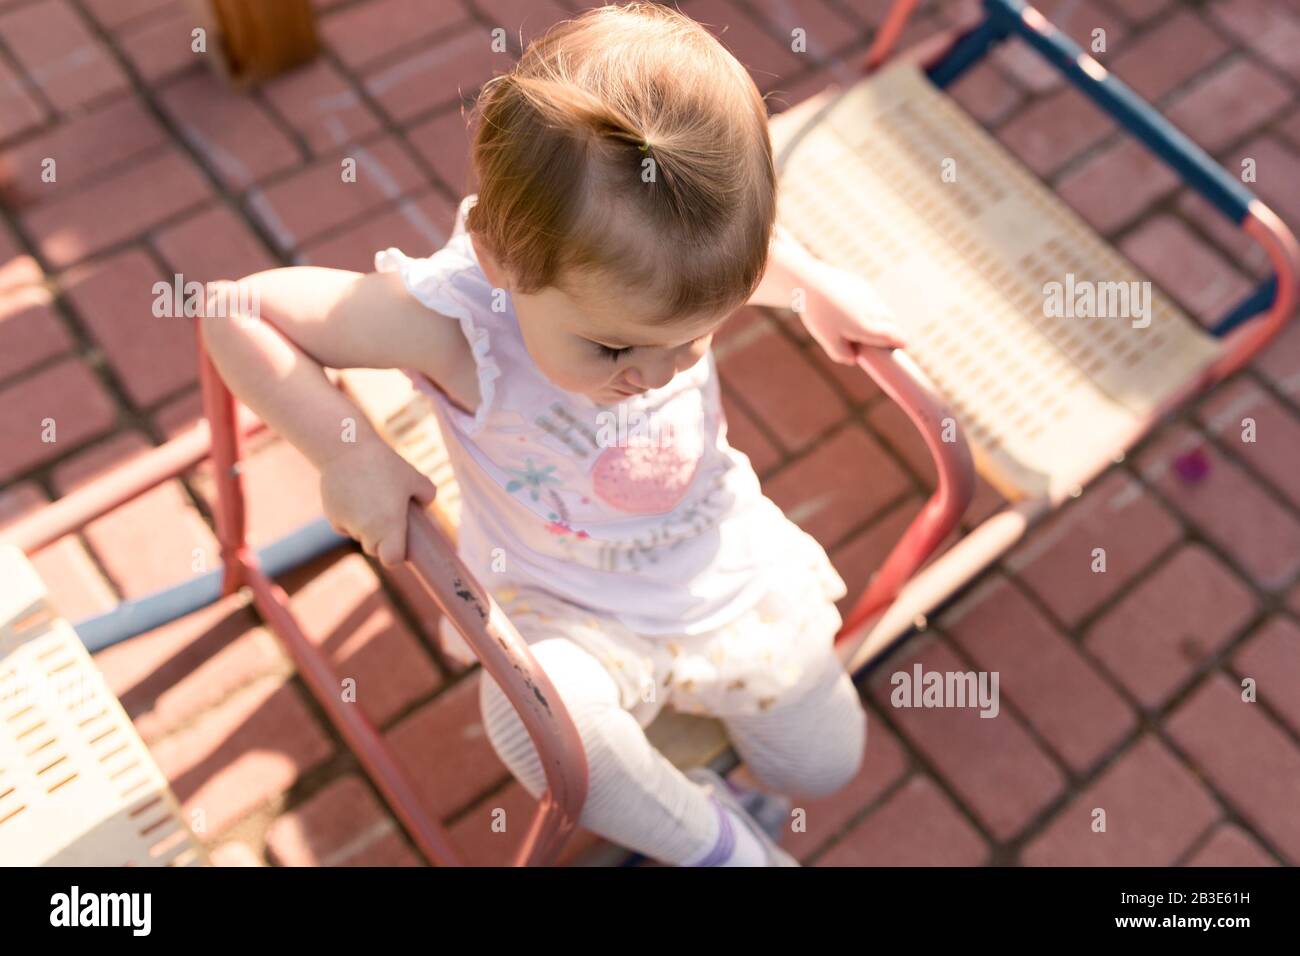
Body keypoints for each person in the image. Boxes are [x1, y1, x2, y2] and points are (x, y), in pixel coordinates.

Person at [200, 2, 903, 866]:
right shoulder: (458, 324)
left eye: (698, 330)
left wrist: (812, 286)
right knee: (539, 732)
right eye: (612, 346)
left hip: (725, 569)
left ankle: (719, 790)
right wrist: (349, 451)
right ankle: (720, 849)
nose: (660, 370)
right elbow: (234, 308)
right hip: (565, 604)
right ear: (502, 265)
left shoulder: (675, 262)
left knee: (830, 764)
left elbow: (736, 260)